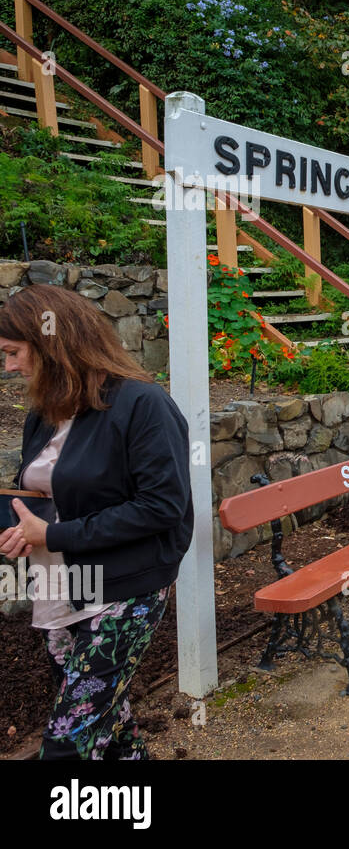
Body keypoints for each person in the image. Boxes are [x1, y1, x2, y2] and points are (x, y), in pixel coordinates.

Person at [0, 284, 192, 759]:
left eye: (13, 352)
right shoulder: (46, 413)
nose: (8, 367)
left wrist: (53, 534)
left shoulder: (143, 404)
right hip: (58, 587)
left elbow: (162, 506)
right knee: (109, 723)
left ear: (50, 343)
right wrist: (21, 528)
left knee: (67, 742)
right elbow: (51, 493)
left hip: (123, 589)